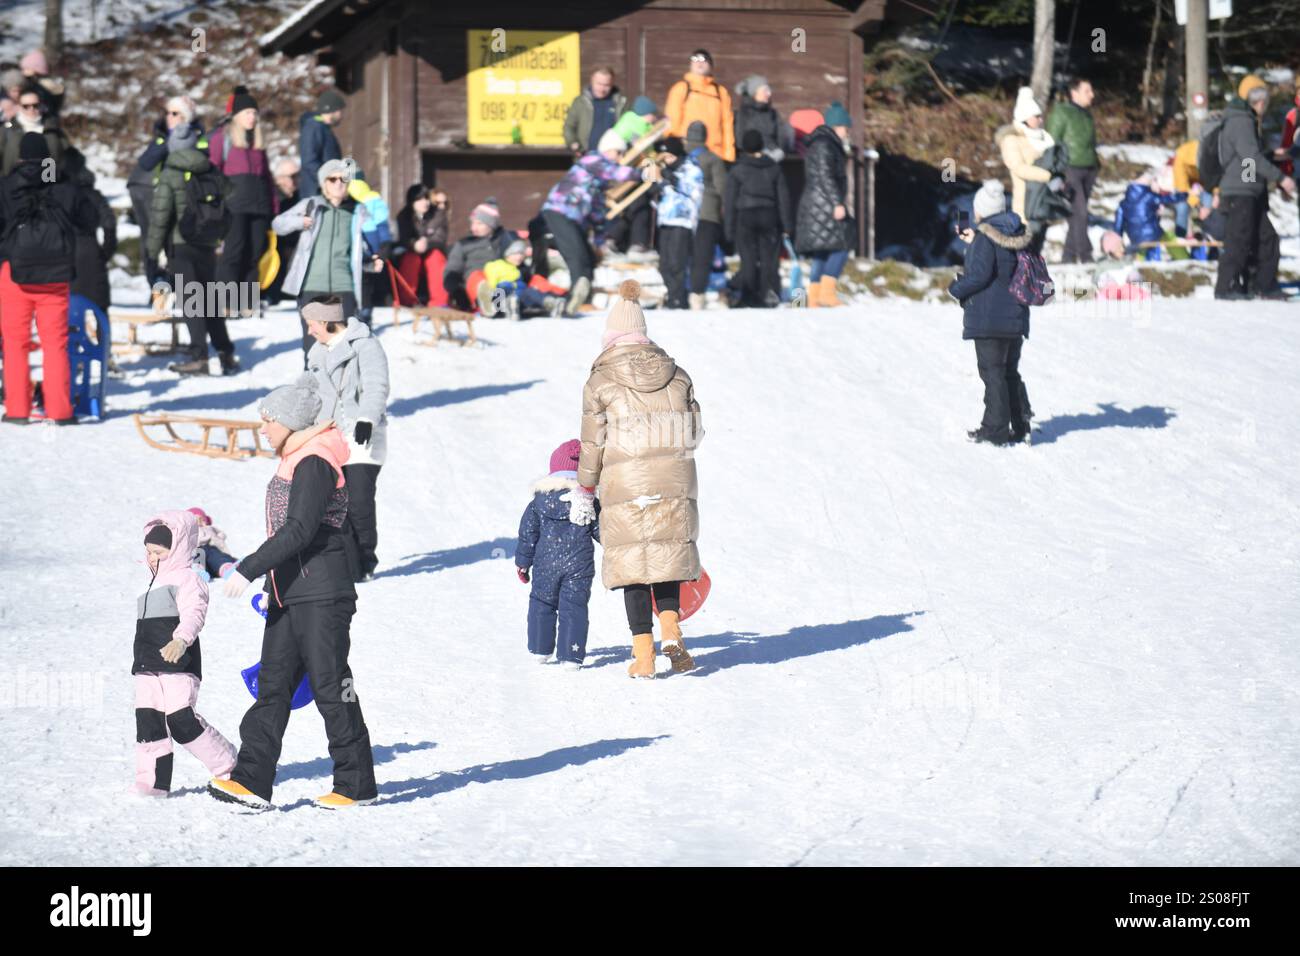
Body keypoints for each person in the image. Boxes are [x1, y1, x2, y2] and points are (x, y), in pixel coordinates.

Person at [212, 373, 377, 810]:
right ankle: (251, 780)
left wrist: (248, 569)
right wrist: (271, 585)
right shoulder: (294, 458)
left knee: (332, 685)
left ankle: (355, 784)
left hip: (323, 592)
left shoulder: (315, 460)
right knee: (272, 687)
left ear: (289, 421)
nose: (263, 428)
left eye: (268, 420)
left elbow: (301, 530)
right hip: (291, 594)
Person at [570, 279, 704, 679]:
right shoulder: (677, 375)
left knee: (633, 565)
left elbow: (592, 442)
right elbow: (695, 432)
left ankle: (643, 656)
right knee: (666, 559)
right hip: (672, 480)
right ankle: (671, 627)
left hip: (625, 484)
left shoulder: (600, 380)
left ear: (610, 336)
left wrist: (584, 487)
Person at [134, 511, 238, 796]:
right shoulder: (151, 583)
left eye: (158, 551)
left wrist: (181, 640)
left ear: (176, 549)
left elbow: (194, 613)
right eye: (148, 551)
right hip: (147, 665)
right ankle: (152, 783)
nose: (152, 557)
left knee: (180, 720)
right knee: (149, 722)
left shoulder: (188, 579)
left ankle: (228, 764)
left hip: (177, 663)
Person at [0, 132, 97, 424]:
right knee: (55, 343)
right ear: (47, 158)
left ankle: (17, 409)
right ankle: (59, 411)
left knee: (15, 343)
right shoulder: (62, 184)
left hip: (13, 273)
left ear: (19, 157)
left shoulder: (6, 185)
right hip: (55, 275)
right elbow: (89, 219)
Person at [304, 297, 390, 582]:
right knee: (334, 501)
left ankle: (365, 560)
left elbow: (376, 384)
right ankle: (348, 562)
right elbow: (308, 389)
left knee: (359, 502)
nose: (309, 331)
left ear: (327, 322)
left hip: (361, 435)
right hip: (329, 435)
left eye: (312, 325)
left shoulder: (364, 344)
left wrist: (367, 418)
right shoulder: (317, 351)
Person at [146, 118, 239, 377]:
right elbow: (229, 191)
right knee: (209, 301)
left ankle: (199, 357)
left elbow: (160, 217)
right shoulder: (208, 167)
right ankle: (226, 354)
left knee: (191, 302)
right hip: (207, 243)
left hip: (180, 244)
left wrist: (151, 254)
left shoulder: (170, 172)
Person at [948, 180, 1034, 446]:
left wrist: (955, 288)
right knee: (1009, 372)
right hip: (1016, 315)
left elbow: (980, 275)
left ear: (981, 210)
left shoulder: (986, 238)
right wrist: (974, 242)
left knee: (992, 373)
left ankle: (994, 430)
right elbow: (1003, 261)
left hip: (990, 318)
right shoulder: (1016, 232)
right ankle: (1021, 425)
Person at [540, 133, 658, 313]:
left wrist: (600, 240)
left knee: (588, 258)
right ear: (609, 149)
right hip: (559, 211)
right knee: (576, 255)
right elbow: (616, 172)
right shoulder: (593, 159)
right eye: (619, 153)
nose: (620, 159)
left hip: (574, 219)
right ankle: (575, 299)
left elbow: (597, 210)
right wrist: (642, 174)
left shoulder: (598, 178)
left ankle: (582, 298)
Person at [272, 157, 375, 360]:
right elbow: (278, 224)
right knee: (313, 349)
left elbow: (369, 245)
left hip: (343, 286)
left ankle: (339, 391)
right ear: (323, 183)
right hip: (312, 285)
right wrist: (298, 221)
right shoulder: (312, 205)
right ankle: (312, 391)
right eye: (332, 179)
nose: (338, 183)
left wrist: (372, 259)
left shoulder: (358, 212)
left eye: (342, 179)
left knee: (342, 349)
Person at [515, 439, 601, 670]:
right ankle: (571, 655)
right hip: (579, 567)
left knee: (542, 602)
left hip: (545, 564)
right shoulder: (588, 501)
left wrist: (523, 563)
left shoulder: (538, 502)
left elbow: (528, 535)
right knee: (574, 608)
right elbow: (604, 532)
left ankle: (540, 649)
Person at [1215, 75, 1296, 300]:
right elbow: (1250, 158)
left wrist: (1270, 157)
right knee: (1239, 240)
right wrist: (1281, 178)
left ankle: (1263, 285)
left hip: (1248, 190)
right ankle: (1226, 287)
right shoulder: (1241, 121)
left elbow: (1248, 160)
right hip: (1239, 192)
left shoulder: (1246, 120)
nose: (1266, 105)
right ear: (1257, 99)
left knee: (1266, 239)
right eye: (1265, 100)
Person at [209, 87, 277, 307]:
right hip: (234, 205)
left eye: (255, 113)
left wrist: (273, 208)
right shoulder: (223, 137)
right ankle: (222, 302)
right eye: (248, 113)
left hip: (259, 206)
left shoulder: (258, 143)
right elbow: (212, 170)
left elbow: (267, 177)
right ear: (236, 115)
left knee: (255, 252)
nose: (252, 117)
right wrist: (215, 202)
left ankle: (248, 302)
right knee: (233, 252)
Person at [129, 97, 197, 289]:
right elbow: (146, 162)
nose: (169, 117)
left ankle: (176, 283)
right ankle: (157, 282)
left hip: (178, 194)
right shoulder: (162, 136)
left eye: (175, 113)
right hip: (147, 190)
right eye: (167, 113)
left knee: (175, 240)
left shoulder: (196, 137)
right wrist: (170, 141)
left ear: (186, 116)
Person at [795, 102, 853, 307]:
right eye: (847, 129)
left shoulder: (822, 143)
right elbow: (825, 176)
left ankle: (814, 295)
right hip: (824, 204)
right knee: (843, 243)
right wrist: (837, 203)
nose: (847, 134)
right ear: (838, 126)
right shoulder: (825, 145)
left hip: (818, 204)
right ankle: (826, 293)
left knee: (823, 249)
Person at [725, 128, 792, 308]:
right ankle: (767, 294)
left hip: (745, 216)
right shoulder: (773, 168)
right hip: (769, 215)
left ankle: (748, 295)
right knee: (769, 258)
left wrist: (729, 229)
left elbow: (730, 200)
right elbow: (783, 198)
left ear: (744, 147)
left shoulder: (737, 170)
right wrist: (787, 225)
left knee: (748, 258)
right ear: (761, 146)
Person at [995, 87, 1062, 249]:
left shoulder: (1045, 137)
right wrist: (1048, 176)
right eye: (1036, 116)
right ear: (1025, 118)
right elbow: (1019, 168)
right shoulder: (1011, 140)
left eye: (1040, 116)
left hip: (1044, 201)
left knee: (1037, 248)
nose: (1041, 120)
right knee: (1026, 249)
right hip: (1026, 205)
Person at [1046, 77, 1099, 264]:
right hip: (1070, 168)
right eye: (1087, 91)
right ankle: (1086, 255)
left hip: (1089, 168)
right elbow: (1051, 142)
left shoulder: (1086, 114)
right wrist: (1055, 172)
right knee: (1080, 212)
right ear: (1074, 93)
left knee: (1076, 214)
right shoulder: (1061, 112)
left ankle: (1068, 257)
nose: (1092, 95)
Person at [654, 136, 704, 310]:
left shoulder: (691, 168)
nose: (667, 161)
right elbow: (664, 193)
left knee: (677, 263)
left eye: (670, 157)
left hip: (683, 220)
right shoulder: (668, 170)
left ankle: (678, 299)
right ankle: (671, 295)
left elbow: (692, 191)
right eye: (664, 158)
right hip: (666, 220)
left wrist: (670, 178)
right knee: (664, 264)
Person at [65, 147, 117, 313]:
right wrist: (105, 252)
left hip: (65, 253)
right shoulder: (94, 195)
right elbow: (109, 224)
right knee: (99, 308)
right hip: (91, 250)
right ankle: (103, 338)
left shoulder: (59, 195)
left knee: (66, 311)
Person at [607, 96, 660, 257]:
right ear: (646, 113)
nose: (654, 118)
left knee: (630, 207)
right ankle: (635, 244)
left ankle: (614, 239)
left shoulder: (629, 122)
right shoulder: (637, 127)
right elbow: (642, 150)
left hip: (626, 174)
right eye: (653, 114)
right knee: (639, 206)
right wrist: (654, 162)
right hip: (631, 174)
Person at [685, 120, 728, 310]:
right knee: (703, 256)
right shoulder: (713, 159)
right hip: (707, 213)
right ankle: (698, 295)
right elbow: (722, 188)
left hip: (682, 214)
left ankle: (680, 292)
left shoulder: (682, 158)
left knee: (682, 255)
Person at [443, 198, 513, 313]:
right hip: (474, 282)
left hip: (499, 280)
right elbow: (452, 270)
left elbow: (516, 260)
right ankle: (489, 303)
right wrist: (456, 291)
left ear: (491, 225)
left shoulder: (504, 239)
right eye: (472, 223)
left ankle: (505, 303)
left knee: (509, 280)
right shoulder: (464, 244)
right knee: (478, 279)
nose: (473, 228)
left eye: (479, 223)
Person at [664, 49, 735, 162]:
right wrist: (673, 148)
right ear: (690, 64)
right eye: (695, 59)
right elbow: (672, 120)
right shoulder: (681, 88)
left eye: (704, 60)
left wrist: (729, 154)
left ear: (711, 65)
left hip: (714, 152)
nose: (699, 63)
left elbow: (727, 125)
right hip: (687, 151)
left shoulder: (721, 92)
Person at [480, 239, 566, 318]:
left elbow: (532, 282)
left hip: (520, 292)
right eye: (515, 254)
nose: (519, 257)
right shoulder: (496, 265)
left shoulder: (523, 268)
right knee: (501, 291)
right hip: (503, 289)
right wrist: (490, 295)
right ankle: (507, 306)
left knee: (531, 292)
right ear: (507, 254)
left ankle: (551, 303)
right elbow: (491, 282)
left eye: (521, 254)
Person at [394, 184, 449, 307]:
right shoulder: (404, 216)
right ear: (412, 201)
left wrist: (426, 243)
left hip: (432, 250)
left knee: (435, 257)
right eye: (419, 199)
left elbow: (440, 238)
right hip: (412, 252)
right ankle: (407, 300)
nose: (424, 202)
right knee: (411, 259)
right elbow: (404, 238)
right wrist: (414, 245)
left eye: (426, 198)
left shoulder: (438, 214)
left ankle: (439, 303)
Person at [0, 84, 69, 175]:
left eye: (35, 105)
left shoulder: (53, 128)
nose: (31, 109)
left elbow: (69, 159)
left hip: (49, 184)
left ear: (41, 105)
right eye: (26, 106)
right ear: (19, 106)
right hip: (15, 185)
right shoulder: (7, 130)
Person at [563, 67, 626, 156]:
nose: (602, 89)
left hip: (612, 157)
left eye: (606, 85)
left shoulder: (620, 103)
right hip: (586, 156)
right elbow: (569, 126)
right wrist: (574, 144)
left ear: (612, 83)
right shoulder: (580, 102)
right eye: (599, 84)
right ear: (592, 81)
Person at [1114, 171, 1177, 260]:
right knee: (1167, 240)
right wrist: (1187, 194)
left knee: (1143, 253)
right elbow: (1170, 199)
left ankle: (1142, 262)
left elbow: (1118, 225)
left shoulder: (1124, 203)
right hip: (1153, 236)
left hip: (1135, 239)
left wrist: (1118, 238)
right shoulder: (1149, 196)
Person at [266, 157, 301, 303]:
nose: (296, 180)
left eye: (297, 176)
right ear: (279, 178)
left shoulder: (299, 197)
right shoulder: (273, 196)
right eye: (291, 176)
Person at [300, 89, 345, 199]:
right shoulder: (313, 128)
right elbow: (309, 160)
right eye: (340, 111)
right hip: (316, 192)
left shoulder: (323, 128)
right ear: (332, 109)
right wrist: (327, 180)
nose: (342, 115)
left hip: (326, 190)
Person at [734, 75, 788, 162]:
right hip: (751, 159)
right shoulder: (744, 114)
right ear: (754, 93)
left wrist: (779, 151)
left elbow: (781, 136)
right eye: (765, 90)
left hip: (774, 157)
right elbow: (740, 140)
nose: (769, 94)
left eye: (769, 90)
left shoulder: (772, 113)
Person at [187, 506, 239, 580]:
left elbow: (221, 535)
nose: (198, 522)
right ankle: (197, 572)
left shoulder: (209, 528)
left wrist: (217, 535)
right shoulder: (189, 532)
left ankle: (227, 568)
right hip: (200, 560)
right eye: (195, 520)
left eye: (201, 519)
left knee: (217, 554)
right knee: (199, 553)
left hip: (214, 561)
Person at [1170, 139, 1203, 238]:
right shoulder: (1181, 157)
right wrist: (1195, 201)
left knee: (1209, 204)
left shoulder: (1211, 155)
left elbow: (1212, 180)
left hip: (1203, 184)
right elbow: (1182, 187)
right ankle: (1180, 236)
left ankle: (1209, 237)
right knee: (1182, 207)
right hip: (1185, 186)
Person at [19, 49, 64, 118]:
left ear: (35, 69)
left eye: (26, 68)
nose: (23, 72)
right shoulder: (48, 84)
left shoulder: (37, 87)